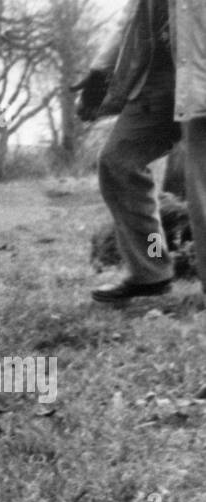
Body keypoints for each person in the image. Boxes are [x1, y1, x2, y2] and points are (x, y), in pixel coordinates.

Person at [74, 0, 206, 303]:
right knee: (119, 162)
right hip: (160, 78)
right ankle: (152, 268)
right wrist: (100, 69)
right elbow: (130, 19)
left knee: (201, 190)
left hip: (201, 79)